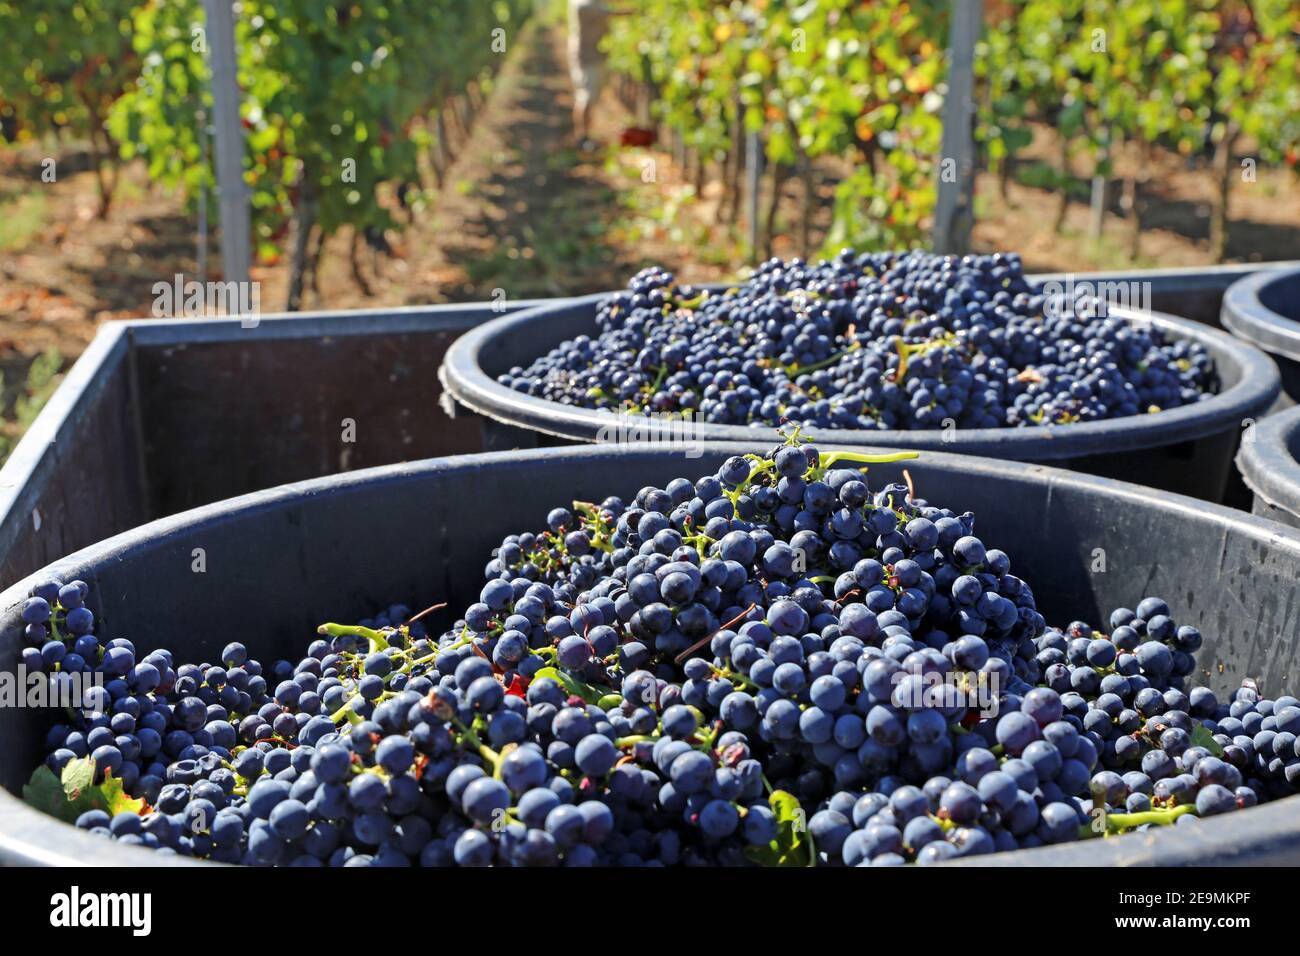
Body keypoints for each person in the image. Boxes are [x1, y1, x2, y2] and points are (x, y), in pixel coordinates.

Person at [568, 0, 611, 147]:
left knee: (588, 96)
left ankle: (585, 136)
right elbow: (608, 12)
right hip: (588, 57)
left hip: (592, 55)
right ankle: (582, 138)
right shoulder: (583, 4)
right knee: (586, 96)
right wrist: (638, 11)